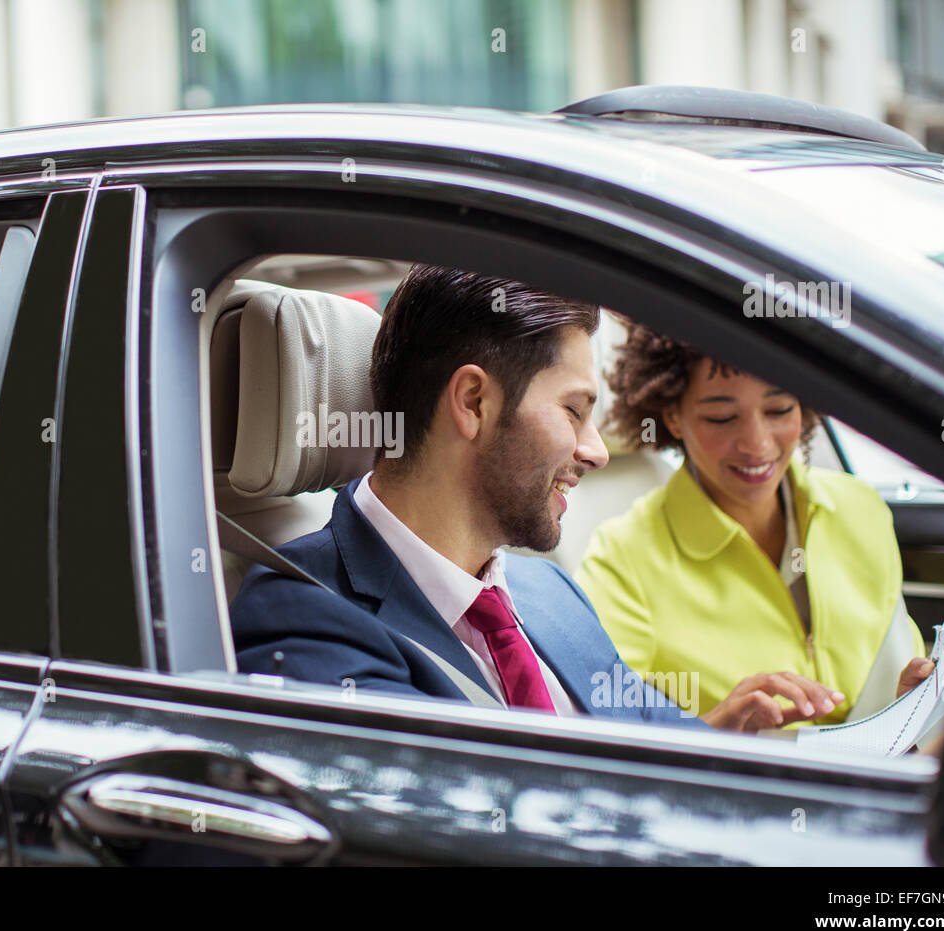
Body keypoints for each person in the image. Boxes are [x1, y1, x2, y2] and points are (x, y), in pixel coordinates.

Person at [230, 265, 712, 725]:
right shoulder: (303, 617)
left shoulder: (551, 591)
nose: (596, 452)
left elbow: (660, 732)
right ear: (473, 402)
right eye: (573, 411)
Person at [574, 321, 935, 732]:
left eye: (779, 410)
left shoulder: (860, 508)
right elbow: (603, 742)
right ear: (673, 417)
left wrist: (907, 706)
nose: (757, 443)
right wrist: (716, 731)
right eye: (722, 417)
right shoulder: (624, 558)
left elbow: (889, 669)